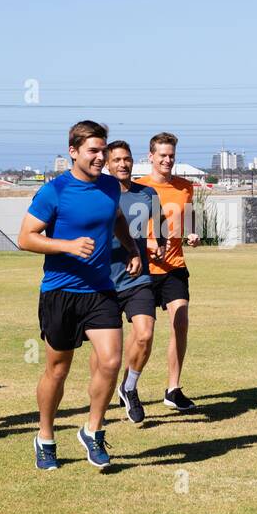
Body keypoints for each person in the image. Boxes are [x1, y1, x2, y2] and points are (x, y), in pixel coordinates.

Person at [17, 121, 141, 470]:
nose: (101, 157)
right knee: (58, 370)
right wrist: (66, 245)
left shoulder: (109, 186)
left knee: (112, 360)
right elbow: (26, 238)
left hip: (100, 289)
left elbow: (114, 217)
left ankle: (94, 430)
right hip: (60, 291)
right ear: (73, 152)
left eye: (103, 151)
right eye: (93, 151)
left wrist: (131, 248)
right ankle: (45, 436)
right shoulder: (53, 192)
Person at [134, 132, 201, 411]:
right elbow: (126, 230)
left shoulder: (185, 187)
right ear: (151, 156)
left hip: (175, 267)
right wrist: (148, 243)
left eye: (171, 155)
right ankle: (130, 386)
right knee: (142, 334)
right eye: (162, 155)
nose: (167, 160)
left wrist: (193, 233)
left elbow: (190, 217)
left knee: (180, 322)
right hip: (145, 269)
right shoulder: (137, 188)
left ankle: (173, 389)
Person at [104, 140, 161, 425]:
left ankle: (129, 386)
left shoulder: (148, 194)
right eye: (116, 160)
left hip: (138, 278)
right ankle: (98, 404)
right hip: (102, 283)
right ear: (106, 163)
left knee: (145, 334)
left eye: (126, 159)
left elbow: (160, 230)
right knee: (107, 355)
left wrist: (158, 243)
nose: (123, 164)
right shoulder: (98, 195)